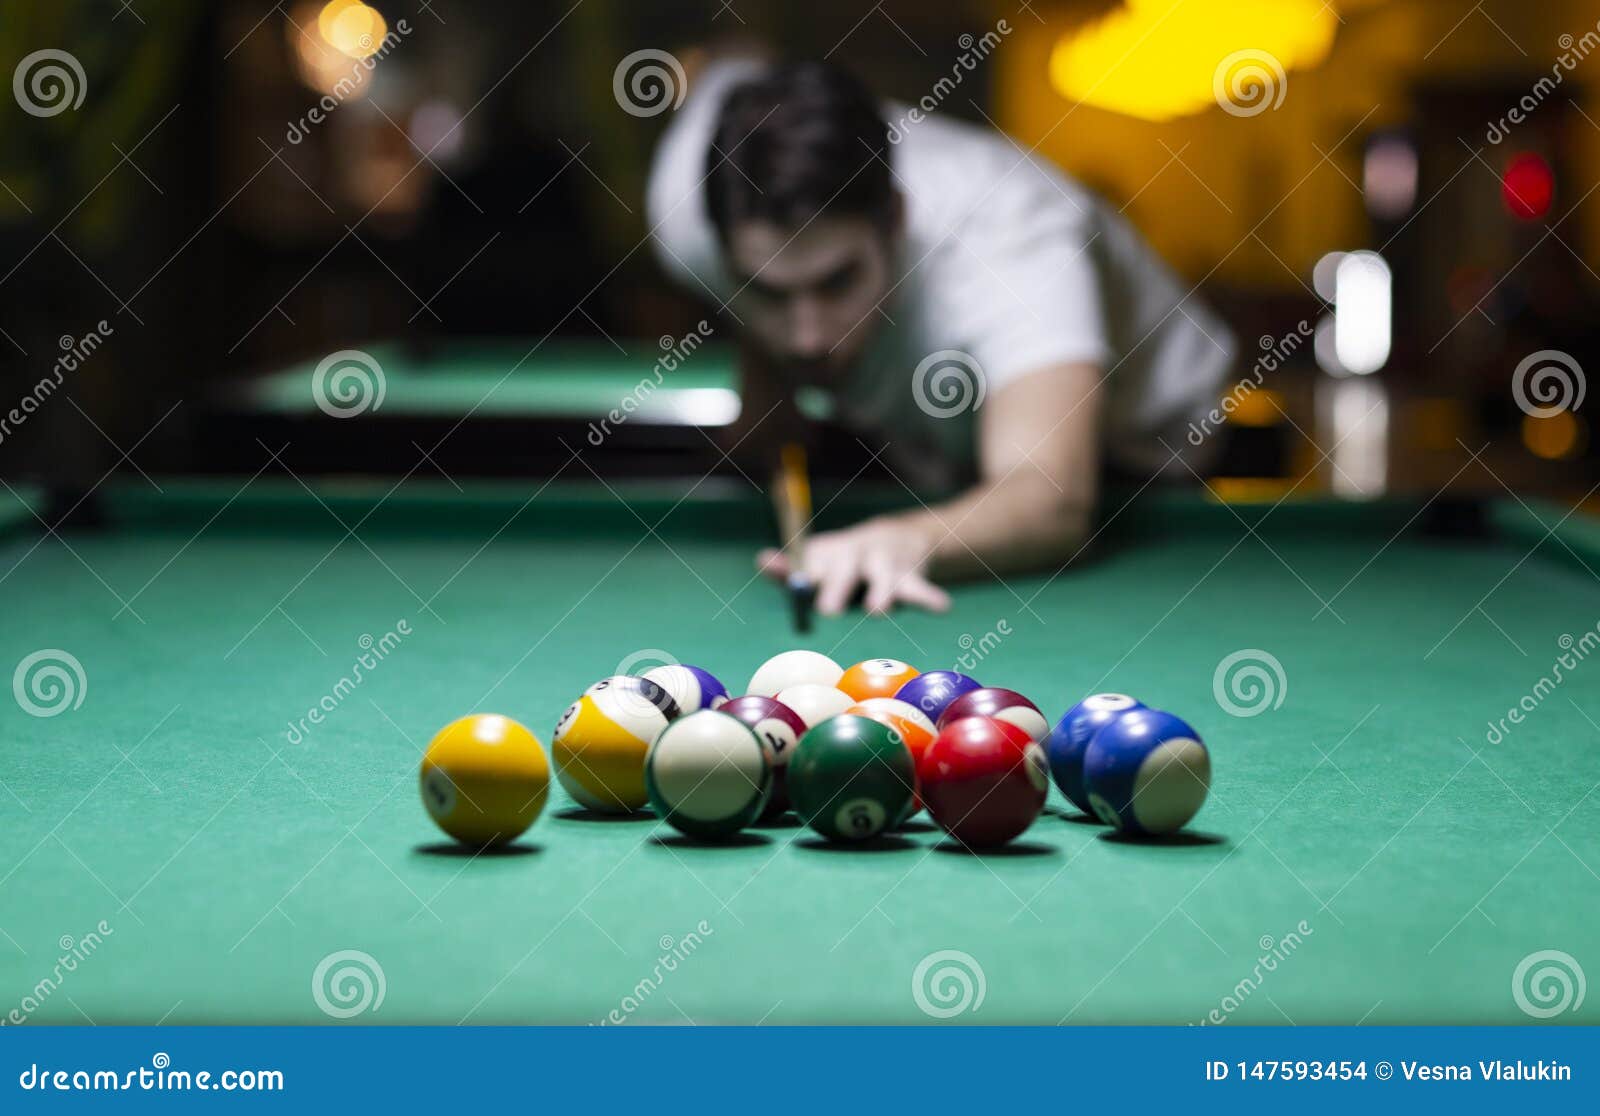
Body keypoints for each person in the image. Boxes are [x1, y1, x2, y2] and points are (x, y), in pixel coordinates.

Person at [646, 57, 1234, 615]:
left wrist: (907, 540)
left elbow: (1050, 500)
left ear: (896, 220)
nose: (807, 338)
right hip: (936, 445)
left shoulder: (1013, 235)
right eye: (769, 293)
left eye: (838, 282)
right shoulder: (686, 214)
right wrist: (766, 391)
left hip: (1139, 451)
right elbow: (733, 59)